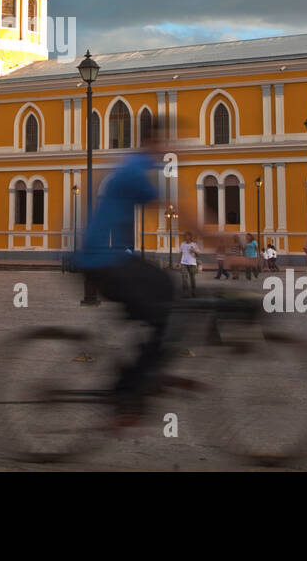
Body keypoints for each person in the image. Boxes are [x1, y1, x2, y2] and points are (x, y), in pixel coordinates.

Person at [77, 117, 215, 423]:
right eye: (168, 141)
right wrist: (223, 244)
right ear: (153, 142)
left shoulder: (135, 166)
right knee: (167, 311)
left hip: (110, 258)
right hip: (103, 261)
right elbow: (180, 212)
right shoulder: (135, 170)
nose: (172, 147)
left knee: (166, 295)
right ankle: (129, 390)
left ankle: (143, 373)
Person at [179, 232, 201, 297]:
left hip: (192, 263)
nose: (186, 237)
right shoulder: (182, 244)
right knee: (184, 278)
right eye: (185, 236)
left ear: (190, 237)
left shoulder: (194, 245)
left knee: (192, 278)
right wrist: (178, 262)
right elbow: (180, 253)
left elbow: (198, 254)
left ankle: (193, 291)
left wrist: (194, 251)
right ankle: (185, 292)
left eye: (187, 236)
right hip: (184, 263)